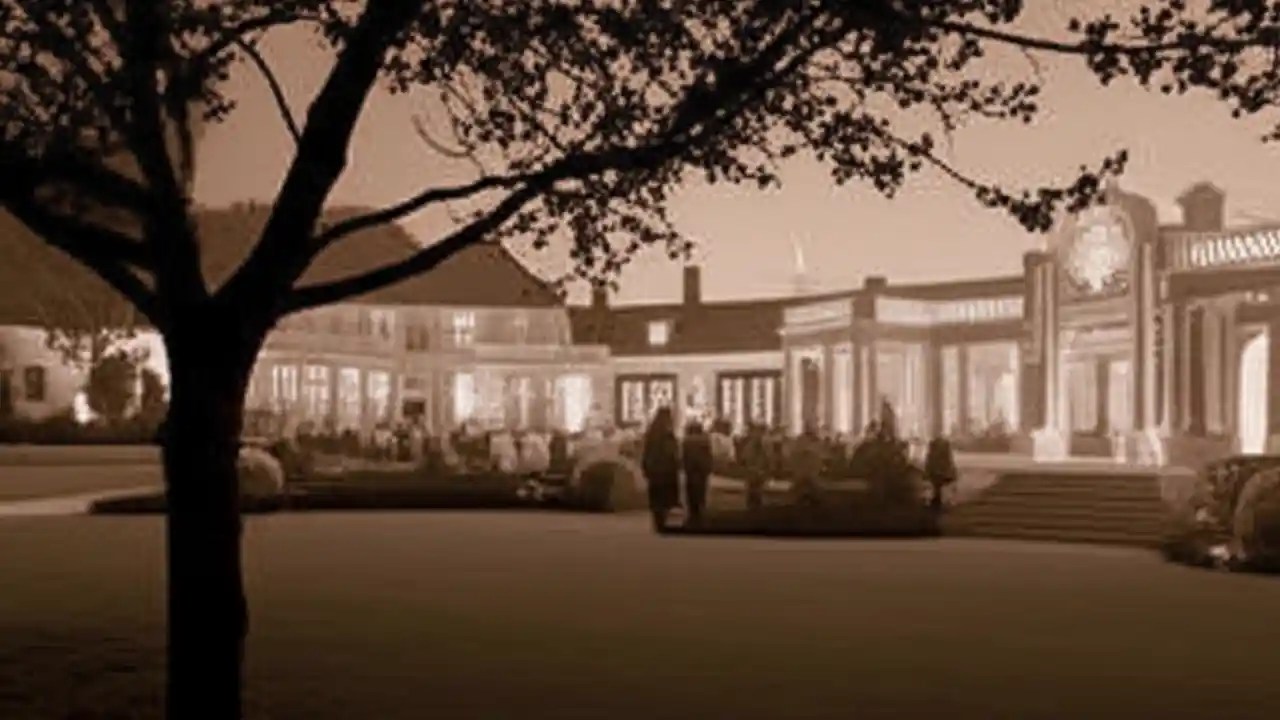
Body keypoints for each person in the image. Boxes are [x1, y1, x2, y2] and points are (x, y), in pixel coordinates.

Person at [641, 407, 681, 533]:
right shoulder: (668, 434)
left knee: (656, 498)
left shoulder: (651, 433)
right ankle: (663, 523)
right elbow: (672, 453)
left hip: (654, 471)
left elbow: (646, 452)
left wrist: (646, 467)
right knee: (666, 498)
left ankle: (657, 521)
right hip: (666, 471)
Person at [681, 421, 714, 527]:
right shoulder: (705, 440)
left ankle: (692, 514)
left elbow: (684, 456)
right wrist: (708, 468)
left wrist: (684, 467)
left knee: (691, 493)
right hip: (702, 471)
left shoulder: (686, 441)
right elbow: (709, 455)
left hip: (691, 470)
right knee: (701, 492)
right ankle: (701, 513)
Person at [924, 436, 958, 515]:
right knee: (938, 485)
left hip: (937, 469)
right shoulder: (943, 446)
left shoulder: (934, 446)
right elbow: (948, 459)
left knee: (937, 485)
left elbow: (930, 459)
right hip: (939, 469)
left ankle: (937, 501)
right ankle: (939, 501)